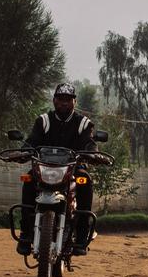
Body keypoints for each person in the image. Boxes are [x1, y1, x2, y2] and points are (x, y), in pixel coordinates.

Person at [16, 83, 97, 256]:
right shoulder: (43, 121)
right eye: (60, 99)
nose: (64, 103)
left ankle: (82, 236)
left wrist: (92, 154)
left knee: (86, 181)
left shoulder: (83, 123)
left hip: (73, 170)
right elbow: (32, 141)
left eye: (68, 100)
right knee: (28, 180)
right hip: (44, 170)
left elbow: (90, 143)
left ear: (74, 102)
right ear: (54, 100)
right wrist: (23, 151)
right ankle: (25, 233)